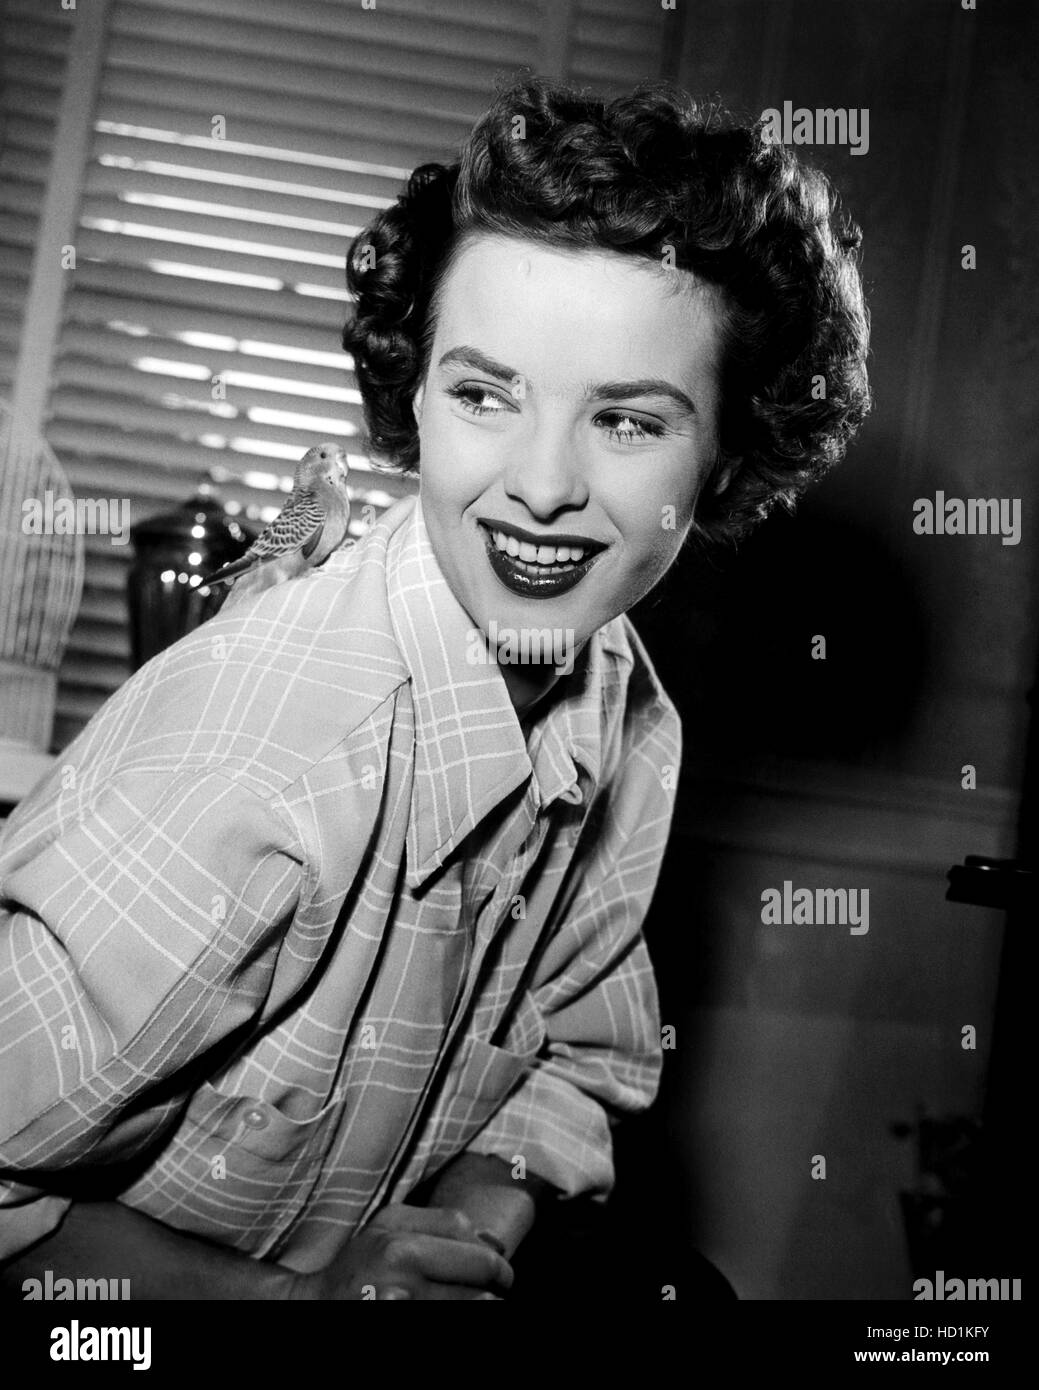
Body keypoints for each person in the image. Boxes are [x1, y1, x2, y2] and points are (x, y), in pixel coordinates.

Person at [0, 76, 869, 1301]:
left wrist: (464, 1221)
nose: (542, 485)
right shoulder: (264, 770)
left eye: (625, 421)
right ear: (413, 392)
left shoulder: (622, 708)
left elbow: (579, 1062)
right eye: (483, 394)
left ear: (727, 450)